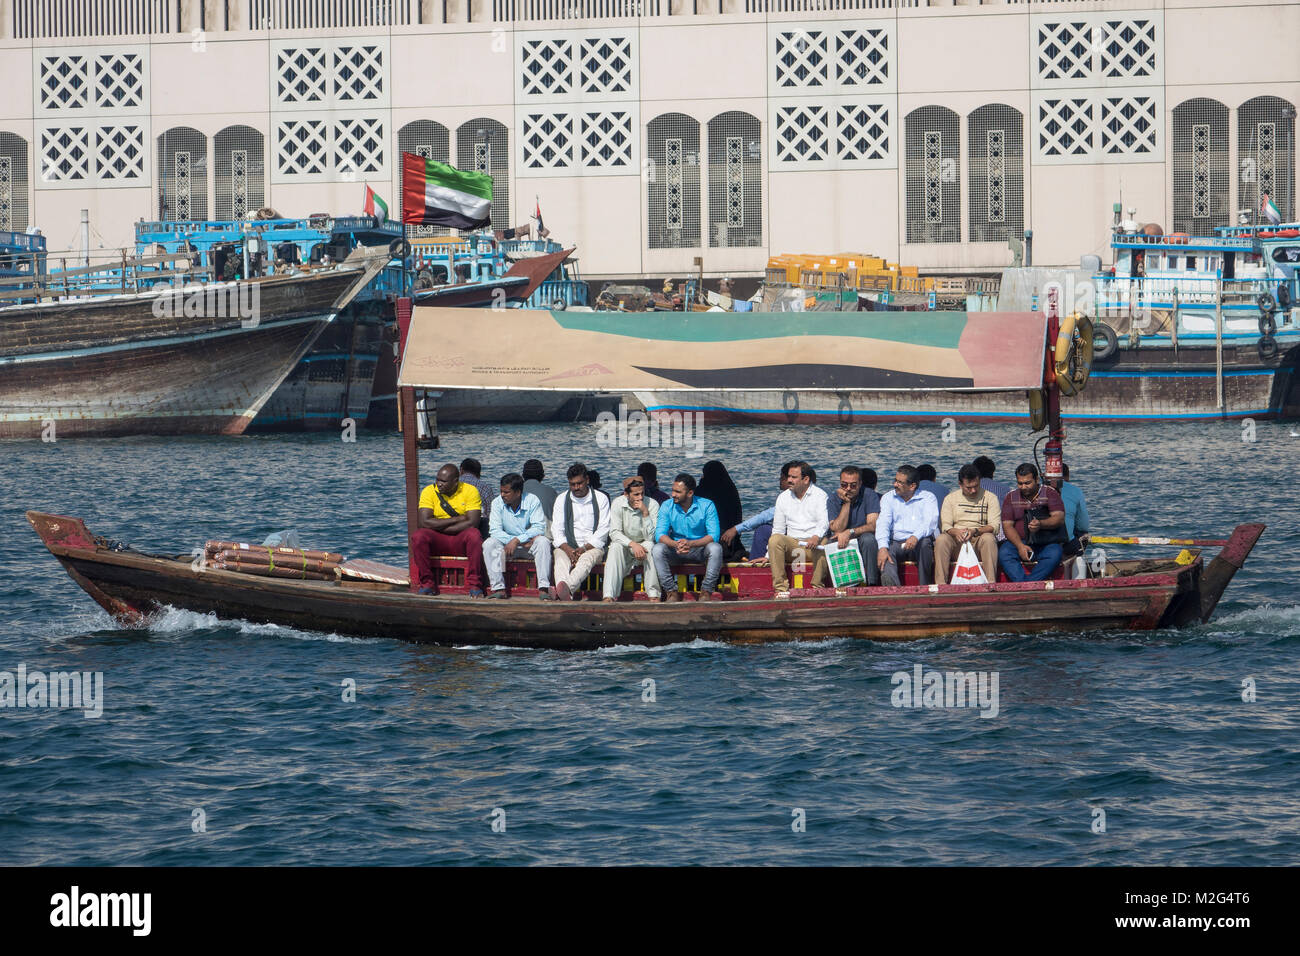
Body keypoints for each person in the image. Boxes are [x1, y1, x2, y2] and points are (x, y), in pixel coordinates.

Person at [411, 463, 486, 597]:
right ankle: (427, 584)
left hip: (459, 539)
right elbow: (424, 522)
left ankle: (475, 585)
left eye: (444, 481)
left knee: (474, 535)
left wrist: (438, 525)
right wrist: (457, 519)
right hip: (439, 538)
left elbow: (473, 523)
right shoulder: (429, 491)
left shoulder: (470, 491)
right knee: (418, 536)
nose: (439, 484)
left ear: (456, 481)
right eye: (437, 480)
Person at [652, 473, 724, 601]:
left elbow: (714, 535)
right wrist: (675, 544)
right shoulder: (667, 506)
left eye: (678, 492)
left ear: (690, 493)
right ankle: (671, 591)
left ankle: (706, 591)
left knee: (715, 548)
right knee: (657, 549)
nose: (673, 494)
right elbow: (660, 535)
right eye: (673, 490)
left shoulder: (707, 505)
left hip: (699, 549)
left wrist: (690, 544)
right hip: (676, 550)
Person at [483, 473, 553, 600]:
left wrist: (517, 540)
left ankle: (543, 589)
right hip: (508, 548)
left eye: (506, 492)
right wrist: (513, 541)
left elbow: (539, 527)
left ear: (518, 492)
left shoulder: (532, 500)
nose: (502, 495)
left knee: (543, 542)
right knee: (489, 543)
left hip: (528, 547)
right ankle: (499, 588)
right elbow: (495, 531)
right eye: (501, 491)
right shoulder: (497, 503)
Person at [767, 461, 829, 599]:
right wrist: (768, 555)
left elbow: (824, 523)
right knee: (775, 539)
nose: (789, 480)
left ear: (806, 479)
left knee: (825, 542)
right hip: (793, 544)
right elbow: (778, 529)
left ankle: (817, 588)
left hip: (813, 545)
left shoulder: (820, 495)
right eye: (789, 476)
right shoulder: (783, 498)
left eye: (794, 477)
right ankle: (781, 589)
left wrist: (815, 537)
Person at [550, 463, 611, 601]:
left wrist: (583, 549)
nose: (576, 488)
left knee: (586, 560)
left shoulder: (601, 499)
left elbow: (603, 530)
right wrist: (568, 549)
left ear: (587, 480)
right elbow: (557, 530)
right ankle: (565, 594)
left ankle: (564, 591)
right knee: (559, 558)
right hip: (567, 546)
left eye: (579, 483)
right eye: (572, 484)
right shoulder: (561, 499)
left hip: (592, 547)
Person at [999, 463, 1068, 582]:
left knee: (1055, 553)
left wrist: (1041, 524)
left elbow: (1059, 518)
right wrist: (1020, 546)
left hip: (1045, 543)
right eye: (1020, 483)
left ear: (1036, 480)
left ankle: (1029, 583)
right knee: (1004, 553)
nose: (1024, 487)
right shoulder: (1010, 497)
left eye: (1027, 483)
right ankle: (1023, 583)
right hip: (1019, 542)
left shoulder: (1050, 493)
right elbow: (1007, 525)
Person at [935, 463, 1001, 584]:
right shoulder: (950, 499)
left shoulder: (990, 498)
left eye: (976, 486)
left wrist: (975, 531)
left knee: (989, 538)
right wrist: (956, 532)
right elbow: (946, 526)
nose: (973, 490)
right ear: (960, 485)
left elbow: (994, 526)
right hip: (957, 542)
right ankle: (941, 585)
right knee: (941, 540)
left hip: (978, 541)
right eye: (969, 488)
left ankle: (991, 583)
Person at [875, 465, 939, 586]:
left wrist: (915, 537)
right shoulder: (888, 497)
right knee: (887, 551)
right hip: (896, 542)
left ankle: (925, 587)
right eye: (895, 480)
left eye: (900, 482)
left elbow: (929, 523)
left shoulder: (928, 498)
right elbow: (883, 523)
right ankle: (893, 590)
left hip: (919, 540)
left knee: (925, 544)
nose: (895, 484)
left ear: (912, 486)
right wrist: (882, 547)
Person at [721, 461, 798, 561]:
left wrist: (736, 529)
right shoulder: (790, 496)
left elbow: (765, 516)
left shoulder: (789, 498)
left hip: (797, 539)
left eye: (781, 477)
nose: (780, 480)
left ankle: (755, 566)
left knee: (763, 530)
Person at [604, 476, 662, 602]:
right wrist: (632, 544)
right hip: (626, 545)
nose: (640, 498)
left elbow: (651, 537)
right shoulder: (617, 503)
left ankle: (653, 595)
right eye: (636, 494)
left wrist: (645, 513)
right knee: (614, 547)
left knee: (652, 546)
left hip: (644, 545)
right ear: (626, 494)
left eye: (642, 493)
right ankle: (609, 595)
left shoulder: (652, 505)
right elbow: (614, 533)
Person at [826, 465, 882, 585]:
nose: (848, 488)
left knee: (869, 539)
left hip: (862, 535)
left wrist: (850, 532)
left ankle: (872, 583)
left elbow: (873, 525)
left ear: (860, 483)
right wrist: (846, 503)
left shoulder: (870, 495)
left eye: (853, 485)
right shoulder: (833, 498)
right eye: (844, 485)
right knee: (831, 542)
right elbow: (836, 528)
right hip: (841, 536)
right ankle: (841, 585)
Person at [696, 460, 747, 561]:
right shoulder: (731, 489)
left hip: (708, 541)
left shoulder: (702, 490)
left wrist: (701, 482)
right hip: (730, 540)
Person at [1051, 463, 1091, 574]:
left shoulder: (1039, 489)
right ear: (1067, 477)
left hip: (1040, 544)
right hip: (1065, 546)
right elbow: (1083, 525)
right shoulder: (1076, 491)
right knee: (1083, 536)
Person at [974, 455, 1011, 542]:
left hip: (977, 535)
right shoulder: (1005, 489)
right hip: (1002, 536)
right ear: (992, 472)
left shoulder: (971, 490)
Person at [459, 458, 497, 536]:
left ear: (461, 470)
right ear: (479, 473)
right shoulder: (485, 487)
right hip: (478, 529)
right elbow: (491, 513)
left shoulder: (451, 484)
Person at [522, 459, 558, 529]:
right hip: (545, 535)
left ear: (523, 475)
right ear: (542, 475)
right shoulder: (551, 492)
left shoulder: (513, 492)